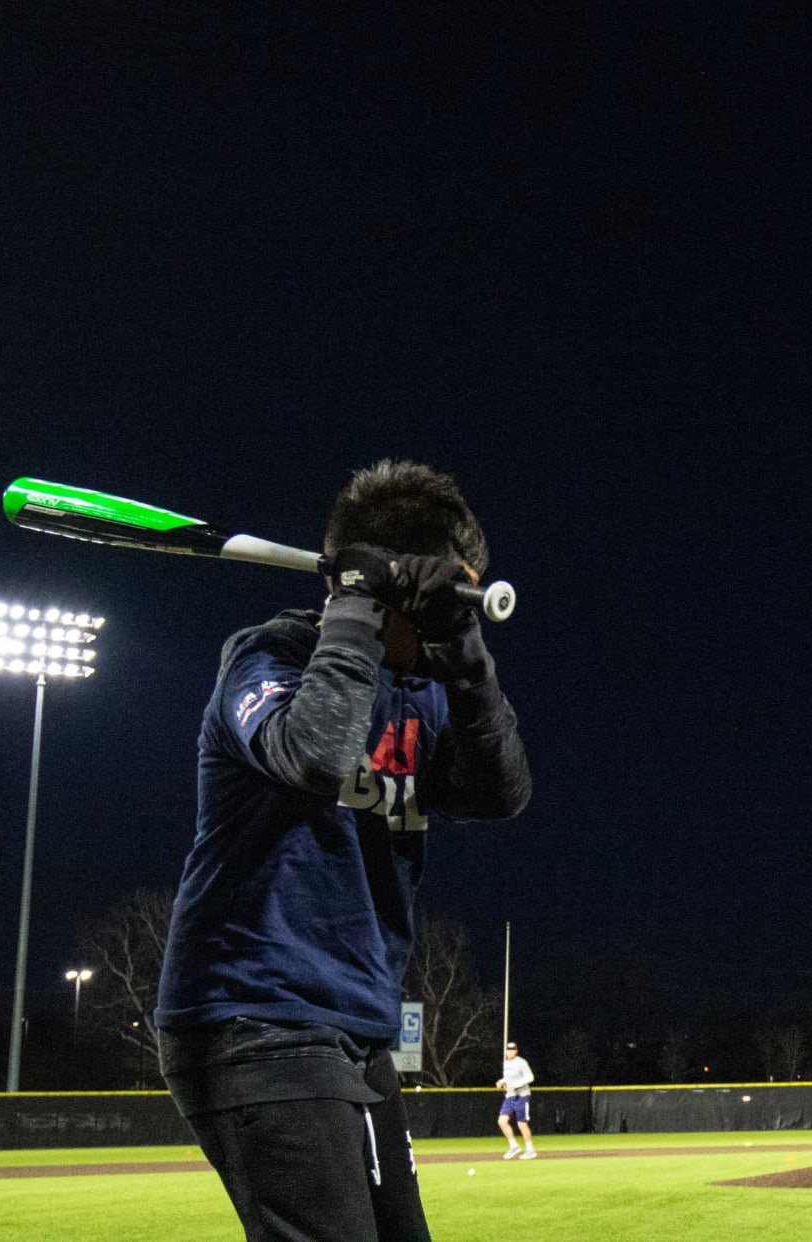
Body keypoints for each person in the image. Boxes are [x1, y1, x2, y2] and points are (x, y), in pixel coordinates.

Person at [154, 459, 532, 1242]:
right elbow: (317, 752)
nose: (442, 619)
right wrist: (357, 604)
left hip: (355, 1029)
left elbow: (502, 790)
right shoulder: (266, 657)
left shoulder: (422, 689)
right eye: (436, 601)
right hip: (254, 1014)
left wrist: (465, 656)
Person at [495, 1041, 536, 1159]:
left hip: (522, 1096)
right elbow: (508, 1078)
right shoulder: (506, 1063)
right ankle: (514, 1146)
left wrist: (516, 1084)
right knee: (502, 1121)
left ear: (516, 1051)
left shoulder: (521, 1063)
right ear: (506, 1051)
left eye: (513, 1049)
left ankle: (530, 1150)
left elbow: (530, 1077)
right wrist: (501, 1081)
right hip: (510, 1096)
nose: (510, 1051)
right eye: (508, 1049)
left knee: (521, 1124)